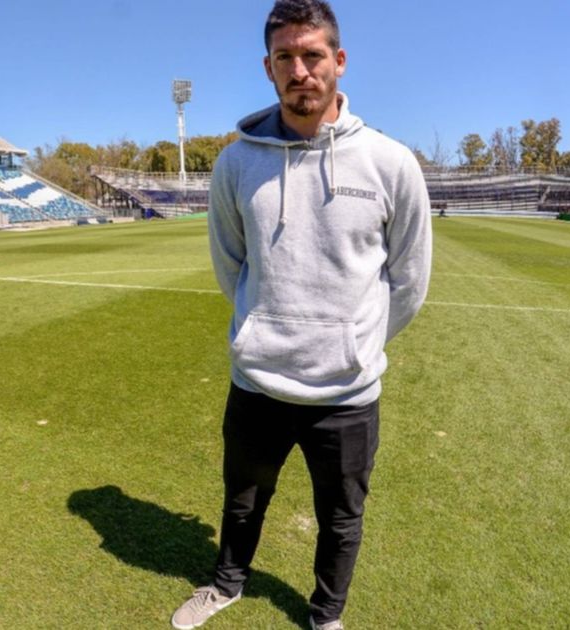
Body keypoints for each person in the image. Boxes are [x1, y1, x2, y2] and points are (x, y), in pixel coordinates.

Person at [170, 1, 431, 628]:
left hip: (346, 389)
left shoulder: (392, 163)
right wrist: (265, 329)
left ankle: (325, 614)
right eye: (285, 57)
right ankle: (226, 584)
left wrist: (356, 344)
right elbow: (230, 264)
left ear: (338, 62)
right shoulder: (236, 164)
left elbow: (410, 280)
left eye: (312, 55)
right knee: (243, 499)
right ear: (268, 68)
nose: (300, 70)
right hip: (259, 380)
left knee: (341, 514)